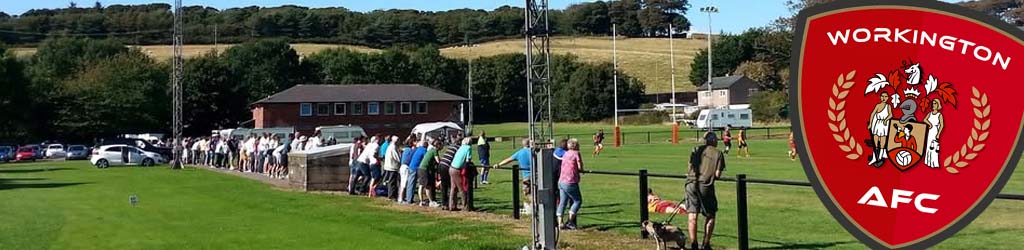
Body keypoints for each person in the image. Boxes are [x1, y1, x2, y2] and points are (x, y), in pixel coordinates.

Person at [686, 132, 726, 250]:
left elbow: (689, 168)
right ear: (713, 140)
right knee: (710, 214)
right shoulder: (718, 153)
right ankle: (705, 243)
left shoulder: (695, 149)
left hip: (690, 183)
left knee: (692, 214)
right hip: (705, 185)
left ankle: (694, 244)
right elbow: (717, 174)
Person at [494, 138, 533, 214]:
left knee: (527, 193)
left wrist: (499, 164)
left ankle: (531, 207)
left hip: (526, 176)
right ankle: (534, 206)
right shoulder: (533, 152)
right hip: (536, 175)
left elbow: (508, 160)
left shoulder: (519, 153)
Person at [556, 138, 584, 230]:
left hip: (561, 181)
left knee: (562, 202)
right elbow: (579, 164)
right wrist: (581, 170)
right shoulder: (576, 153)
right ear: (575, 146)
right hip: (570, 181)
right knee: (577, 201)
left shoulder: (565, 153)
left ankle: (560, 222)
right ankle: (570, 221)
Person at [449, 137, 473, 211]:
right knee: (461, 188)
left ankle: (452, 205)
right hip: (457, 169)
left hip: (451, 168)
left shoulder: (461, 147)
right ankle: (465, 206)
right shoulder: (469, 148)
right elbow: (468, 160)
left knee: (453, 188)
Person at [868, 92, 892, 167]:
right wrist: (870, 124)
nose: (884, 98)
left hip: (884, 125)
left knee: (882, 142)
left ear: (888, 98)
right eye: (882, 96)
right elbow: (872, 114)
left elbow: (891, 114)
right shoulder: (878, 106)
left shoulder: (888, 106)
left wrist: (885, 120)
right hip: (877, 125)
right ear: (880, 97)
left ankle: (880, 156)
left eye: (885, 96)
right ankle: (875, 157)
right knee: (875, 142)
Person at [438, 136, 460, 210]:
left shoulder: (451, 147)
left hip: (441, 165)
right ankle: (451, 204)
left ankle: (444, 204)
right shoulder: (458, 148)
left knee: (444, 186)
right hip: (446, 166)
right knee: (451, 186)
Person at [418, 139, 441, 207]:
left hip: (420, 168)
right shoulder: (434, 150)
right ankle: (431, 202)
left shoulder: (430, 150)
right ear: (438, 145)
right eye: (441, 145)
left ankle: (421, 201)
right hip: (425, 169)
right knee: (427, 186)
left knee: (421, 185)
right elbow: (438, 161)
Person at [924, 99, 944, 168]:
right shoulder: (930, 113)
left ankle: (934, 163)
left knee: (934, 148)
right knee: (928, 147)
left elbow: (942, 125)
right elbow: (924, 119)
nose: (933, 105)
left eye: (935, 103)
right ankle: (928, 162)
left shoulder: (939, 115)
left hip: (935, 131)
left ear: (938, 105)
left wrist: (938, 134)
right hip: (929, 131)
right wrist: (929, 124)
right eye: (933, 103)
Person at [383, 135, 402, 201]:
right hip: (392, 167)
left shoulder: (390, 146)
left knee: (391, 181)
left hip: (388, 166)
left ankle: (392, 195)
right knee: (392, 182)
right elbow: (397, 158)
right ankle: (391, 196)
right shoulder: (393, 147)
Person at [398, 137, 415, 203]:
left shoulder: (405, 150)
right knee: (404, 184)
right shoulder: (410, 150)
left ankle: (400, 197)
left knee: (402, 183)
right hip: (405, 167)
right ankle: (400, 198)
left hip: (402, 167)